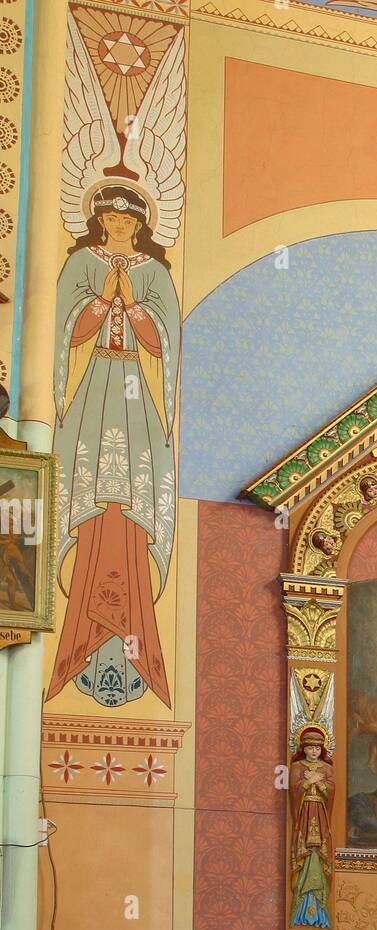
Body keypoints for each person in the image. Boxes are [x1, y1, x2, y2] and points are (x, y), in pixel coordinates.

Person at [47, 183, 180, 708]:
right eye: (111, 215)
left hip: (134, 391)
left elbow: (160, 342)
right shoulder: (81, 262)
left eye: (128, 217)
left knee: (130, 490)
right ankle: (81, 624)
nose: (119, 222)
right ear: (100, 219)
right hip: (93, 386)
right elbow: (66, 331)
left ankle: (129, 630)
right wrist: (103, 300)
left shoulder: (155, 272)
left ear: (140, 223)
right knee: (88, 481)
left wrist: (134, 305)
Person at [288, 725, 335, 928]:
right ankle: (301, 906)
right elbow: (293, 791)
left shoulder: (327, 769)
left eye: (318, 748)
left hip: (320, 813)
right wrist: (307, 784)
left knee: (319, 849)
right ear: (304, 749)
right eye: (310, 748)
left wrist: (320, 783)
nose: (314, 751)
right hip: (305, 812)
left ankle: (320, 908)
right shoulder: (298, 767)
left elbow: (332, 792)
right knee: (305, 849)